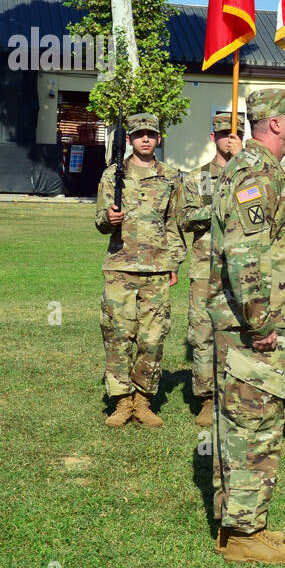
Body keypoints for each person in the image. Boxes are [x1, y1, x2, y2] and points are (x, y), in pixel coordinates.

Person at [208, 88, 285, 563]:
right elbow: (245, 254)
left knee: (246, 422)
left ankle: (241, 523)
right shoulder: (255, 174)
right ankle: (244, 535)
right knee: (254, 426)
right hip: (253, 328)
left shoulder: (264, 170)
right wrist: (260, 321)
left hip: (252, 325)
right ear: (274, 124)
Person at [95, 112, 184, 428]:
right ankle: (121, 402)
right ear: (130, 140)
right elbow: (100, 223)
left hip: (157, 270)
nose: (145, 139)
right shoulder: (112, 176)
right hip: (120, 267)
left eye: (151, 134)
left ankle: (143, 401)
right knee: (118, 335)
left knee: (153, 337)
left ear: (159, 139)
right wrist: (110, 218)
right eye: (138, 134)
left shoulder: (172, 177)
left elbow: (174, 223)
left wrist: (174, 262)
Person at [178, 111, 245, 427]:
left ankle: (236, 394)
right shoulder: (198, 177)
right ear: (212, 137)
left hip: (244, 269)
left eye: (235, 134)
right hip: (207, 268)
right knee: (203, 333)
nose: (229, 140)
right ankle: (207, 399)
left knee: (240, 334)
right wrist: (218, 207)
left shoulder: (250, 176)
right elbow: (186, 218)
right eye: (223, 134)